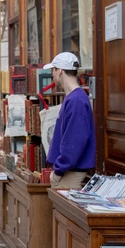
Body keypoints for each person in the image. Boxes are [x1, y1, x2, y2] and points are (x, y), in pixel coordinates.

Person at [44, 52, 96, 190]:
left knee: (63, 210)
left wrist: (58, 171)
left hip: (69, 173)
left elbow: (74, 141)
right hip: (67, 170)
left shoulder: (76, 101)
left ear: (60, 71)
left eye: (53, 69)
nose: (52, 74)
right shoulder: (74, 98)